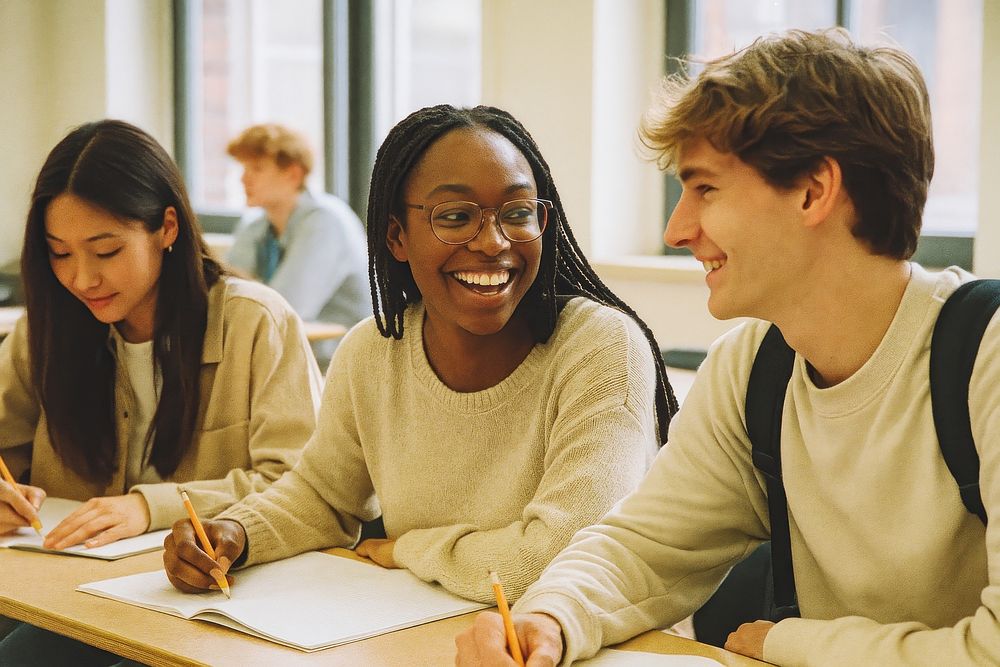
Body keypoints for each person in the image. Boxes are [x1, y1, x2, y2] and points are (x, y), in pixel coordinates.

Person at [456, 28, 1000, 666]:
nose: (677, 229)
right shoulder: (752, 366)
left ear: (813, 191)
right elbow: (646, 549)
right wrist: (549, 618)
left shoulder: (986, 356)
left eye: (706, 189)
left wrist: (786, 641)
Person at [162, 104, 680, 605]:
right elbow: (321, 496)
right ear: (397, 237)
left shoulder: (601, 348)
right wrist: (237, 532)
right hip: (426, 629)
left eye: (518, 213)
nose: (493, 242)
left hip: (596, 644)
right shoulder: (372, 351)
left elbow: (562, 557)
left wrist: (406, 550)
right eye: (455, 217)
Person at [0, 119, 323, 665]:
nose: (82, 279)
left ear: (166, 227)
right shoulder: (47, 328)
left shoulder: (254, 322)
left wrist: (147, 507)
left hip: (207, 602)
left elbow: (300, 485)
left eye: (106, 251)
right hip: (66, 588)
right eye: (59, 253)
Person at [225, 123, 371, 367]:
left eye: (257, 168)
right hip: (294, 353)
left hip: (343, 362)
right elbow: (225, 294)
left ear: (293, 174)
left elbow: (283, 309)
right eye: (244, 168)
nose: (243, 178)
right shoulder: (257, 225)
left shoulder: (325, 222)